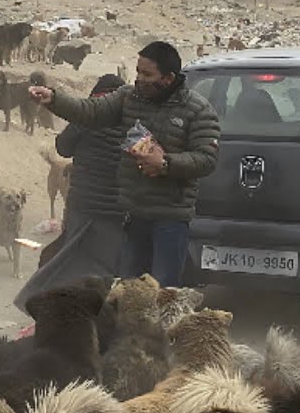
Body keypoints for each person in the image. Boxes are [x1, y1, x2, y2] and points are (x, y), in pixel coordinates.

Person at [29, 41, 221, 288]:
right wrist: (53, 99)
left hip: (170, 219)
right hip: (134, 215)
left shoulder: (197, 110)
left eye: (147, 74)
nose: (139, 79)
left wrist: (165, 163)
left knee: (163, 292)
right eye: (138, 71)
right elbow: (90, 111)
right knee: (127, 291)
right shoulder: (129, 97)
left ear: (169, 78)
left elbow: (206, 159)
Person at [12, 73, 128, 315]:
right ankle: (101, 313)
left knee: (68, 256)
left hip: (83, 203)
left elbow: (63, 147)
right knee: (107, 264)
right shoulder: (132, 122)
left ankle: (40, 301)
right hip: (116, 208)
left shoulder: (86, 117)